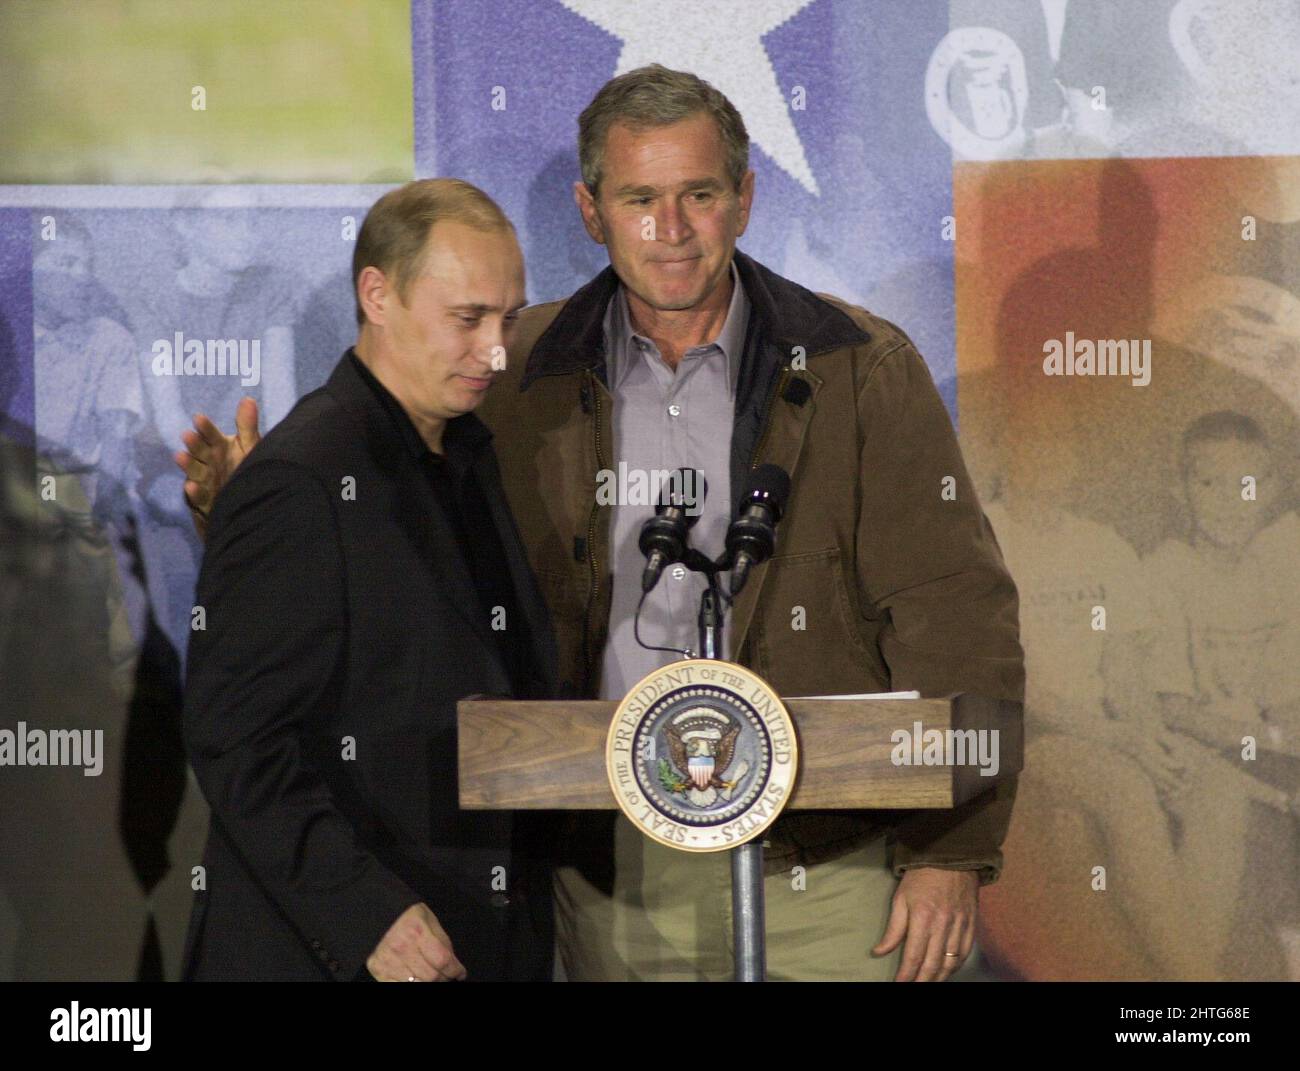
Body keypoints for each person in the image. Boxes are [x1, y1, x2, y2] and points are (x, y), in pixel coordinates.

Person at [180, 66, 1024, 982]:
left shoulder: (860, 367)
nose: (672, 229)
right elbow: (395, 558)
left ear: (744, 198)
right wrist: (252, 513)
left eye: (699, 194)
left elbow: (957, 613)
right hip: (603, 881)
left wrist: (951, 849)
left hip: (819, 874)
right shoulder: (511, 375)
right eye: (640, 199)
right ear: (591, 211)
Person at [178, 178, 557, 981]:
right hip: (338, 953)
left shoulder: (468, 457)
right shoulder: (300, 477)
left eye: (510, 319)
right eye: (468, 319)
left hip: (471, 938)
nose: (496, 350)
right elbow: (235, 735)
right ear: (377, 295)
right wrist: (367, 912)